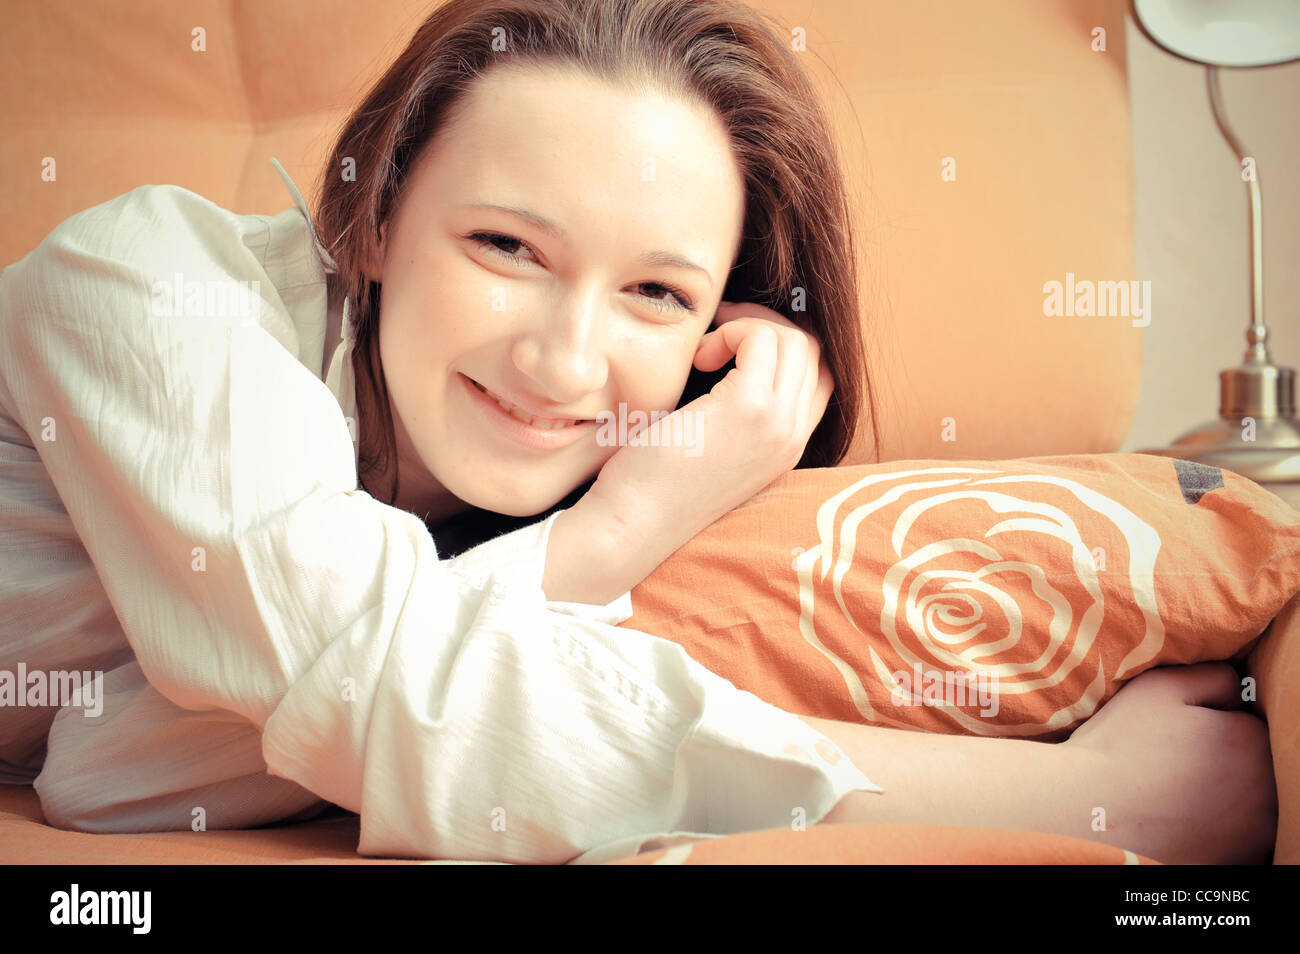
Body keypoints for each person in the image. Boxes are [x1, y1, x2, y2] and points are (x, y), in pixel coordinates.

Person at [0, 0, 1275, 865]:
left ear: (715, 335)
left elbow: (119, 768)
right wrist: (1085, 805)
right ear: (377, 219)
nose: (562, 359)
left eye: (656, 293)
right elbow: (379, 690)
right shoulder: (147, 284)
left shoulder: (493, 514)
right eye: (505, 245)